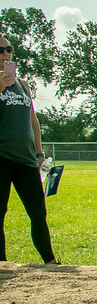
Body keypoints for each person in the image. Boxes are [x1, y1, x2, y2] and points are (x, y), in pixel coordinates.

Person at [0, 34, 57, 265]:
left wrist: (39, 153)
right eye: (0, 51)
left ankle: (50, 262)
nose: (5, 54)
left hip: (25, 159)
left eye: (9, 49)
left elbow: (32, 119)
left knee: (38, 213)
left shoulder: (22, 84)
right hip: (2, 157)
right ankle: (2, 264)